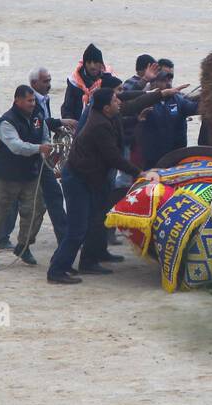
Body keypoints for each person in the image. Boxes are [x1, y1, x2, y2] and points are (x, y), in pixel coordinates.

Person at [47, 85, 172, 283]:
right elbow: (114, 158)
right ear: (107, 107)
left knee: (96, 219)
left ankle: (90, 260)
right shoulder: (99, 125)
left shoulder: (106, 113)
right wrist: (140, 173)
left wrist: (157, 94)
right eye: (115, 100)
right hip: (78, 179)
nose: (119, 102)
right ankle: (57, 270)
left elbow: (129, 98)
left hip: (92, 177)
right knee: (78, 228)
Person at [0, 85, 54, 270]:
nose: (32, 104)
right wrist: (39, 149)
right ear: (17, 100)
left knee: (36, 210)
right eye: (29, 100)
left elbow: (45, 135)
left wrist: (46, 146)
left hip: (30, 175)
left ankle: (24, 246)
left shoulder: (38, 117)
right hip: (6, 176)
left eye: (33, 100)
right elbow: (16, 146)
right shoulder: (6, 122)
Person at [136, 63, 200, 168]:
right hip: (152, 155)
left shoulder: (178, 99)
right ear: (154, 83)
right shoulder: (145, 100)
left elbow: (194, 108)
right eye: (163, 81)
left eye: (169, 80)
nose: (168, 83)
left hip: (176, 153)